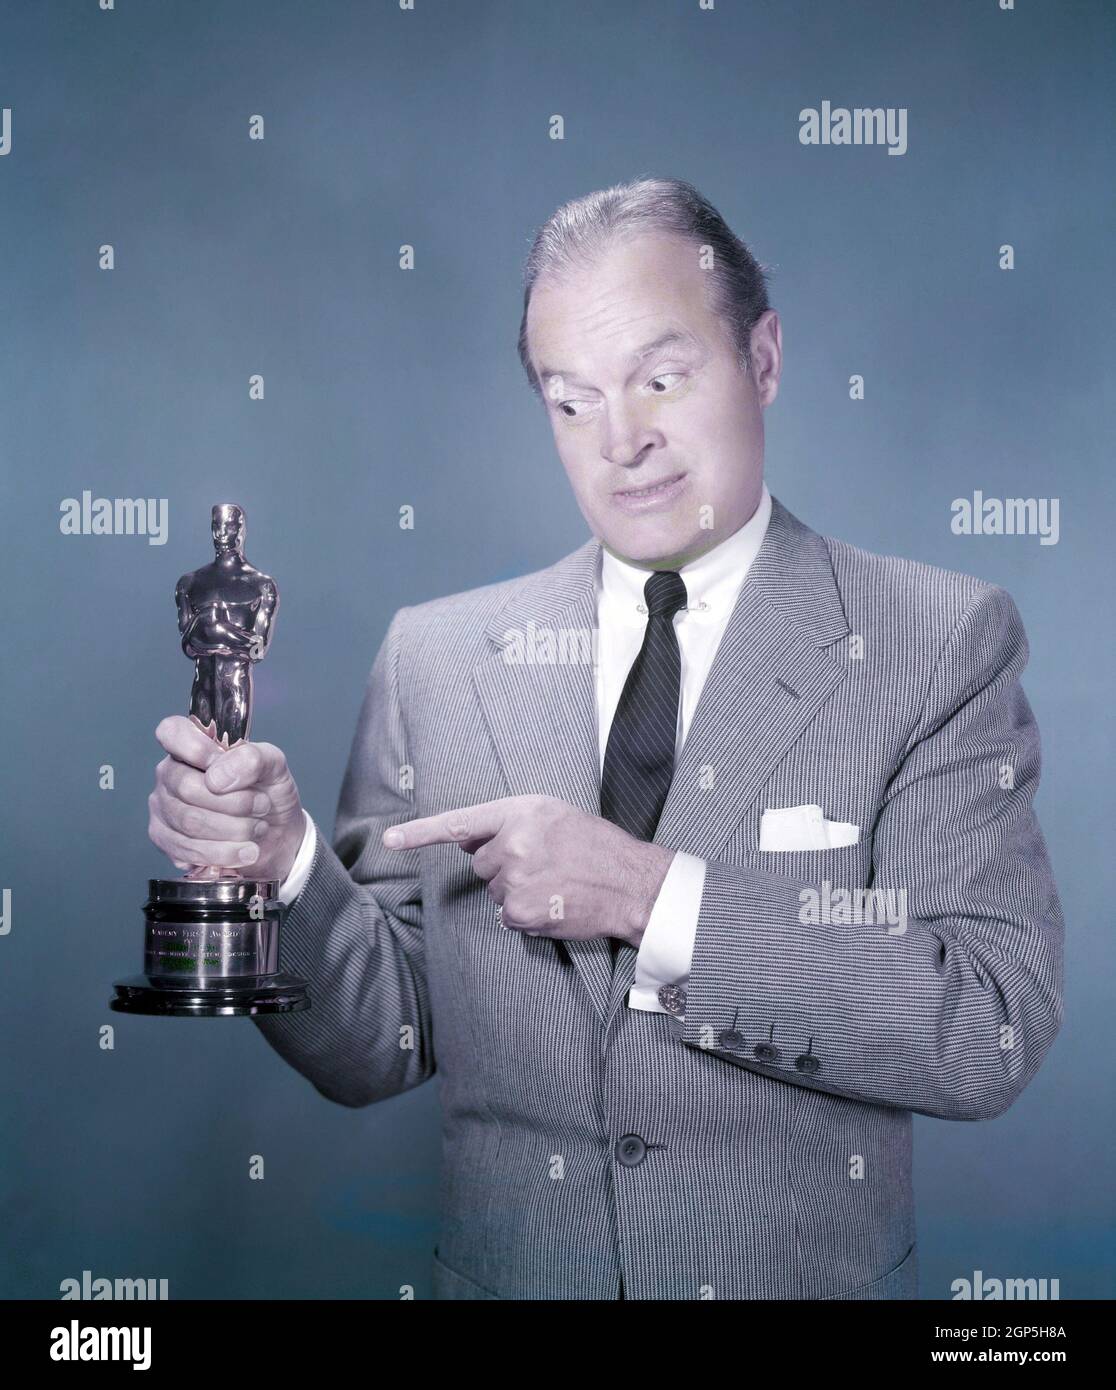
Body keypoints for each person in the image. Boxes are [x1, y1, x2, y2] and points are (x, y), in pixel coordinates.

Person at [147, 177, 1064, 1300]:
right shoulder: (435, 656)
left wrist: (651, 896)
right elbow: (381, 1041)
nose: (620, 442)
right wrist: (283, 866)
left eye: (661, 380)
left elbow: (986, 1029)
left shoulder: (935, 641)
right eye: (571, 401)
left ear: (763, 360)